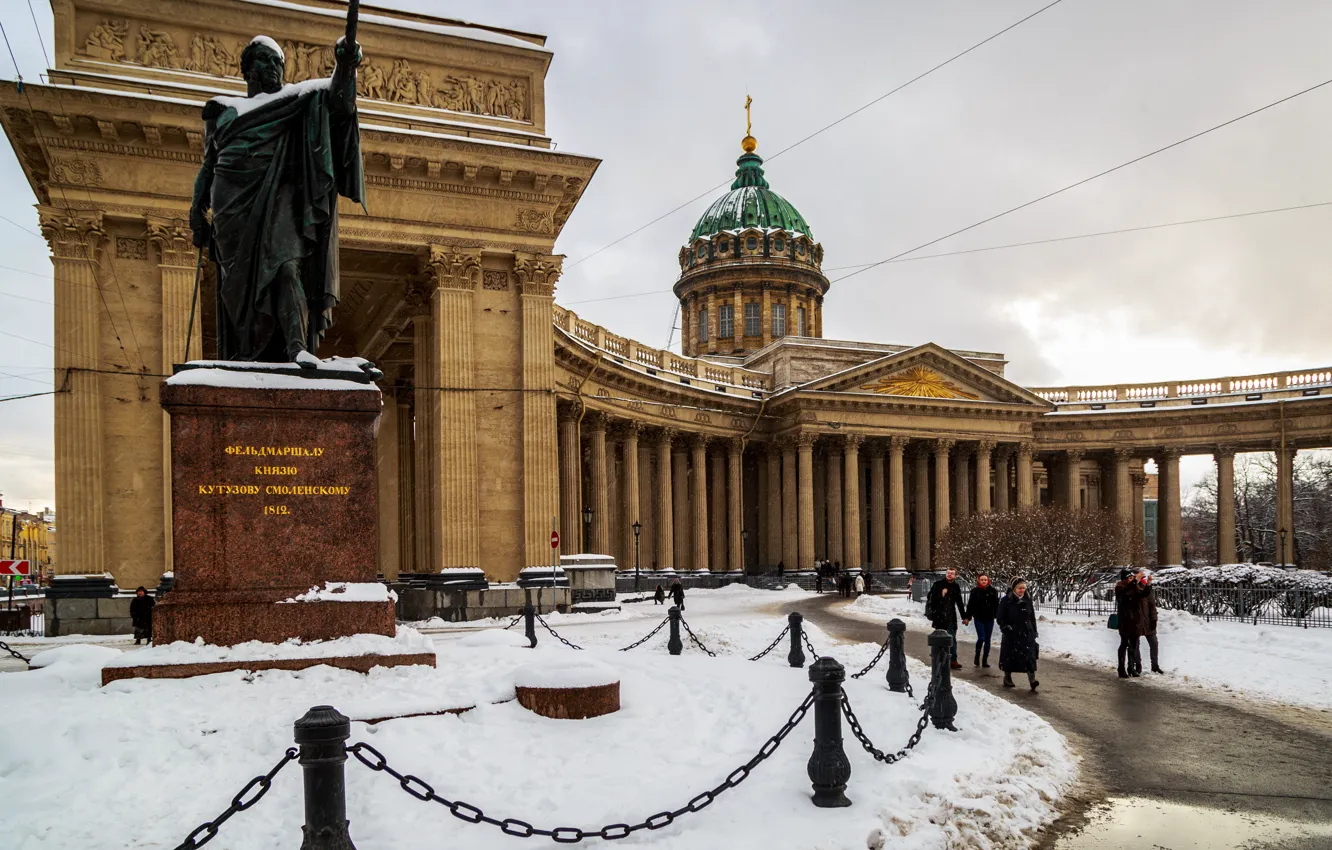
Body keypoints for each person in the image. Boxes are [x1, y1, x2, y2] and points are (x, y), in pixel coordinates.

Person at [997, 577, 1039, 692]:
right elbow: (1000, 617)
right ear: (1014, 588)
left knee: (1029, 657)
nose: (1022, 590)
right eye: (1019, 588)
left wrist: (1034, 631)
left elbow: (1032, 617)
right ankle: (1007, 677)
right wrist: (1006, 628)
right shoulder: (1006, 600)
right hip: (1012, 633)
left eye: (1024, 588)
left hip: (1027, 632)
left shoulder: (1027, 599)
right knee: (1010, 656)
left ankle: (1032, 680)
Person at [926, 567, 968, 670]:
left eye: (952, 573)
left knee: (952, 638)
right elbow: (930, 597)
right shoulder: (938, 585)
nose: (949, 575)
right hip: (939, 616)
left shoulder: (956, 587)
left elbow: (959, 603)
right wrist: (941, 594)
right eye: (948, 573)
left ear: (955, 575)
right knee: (939, 638)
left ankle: (953, 660)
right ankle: (939, 658)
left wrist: (964, 617)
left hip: (951, 617)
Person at [1114, 569, 1147, 678]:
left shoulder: (1134, 587)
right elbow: (1126, 596)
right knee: (1124, 644)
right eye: (1130, 578)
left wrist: (1148, 584)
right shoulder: (1120, 588)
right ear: (1124, 579)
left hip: (1135, 621)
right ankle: (1121, 668)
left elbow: (1143, 594)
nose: (1132, 580)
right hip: (1125, 620)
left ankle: (1131, 667)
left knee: (1134, 645)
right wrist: (1135, 581)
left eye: (1132, 578)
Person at [966, 574, 1000, 668]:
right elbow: (970, 605)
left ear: (988, 580)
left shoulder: (993, 591)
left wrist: (998, 616)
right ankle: (977, 655)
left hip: (989, 618)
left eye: (985, 579)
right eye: (982, 580)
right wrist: (968, 617)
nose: (984, 581)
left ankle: (985, 659)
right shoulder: (975, 591)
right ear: (979, 581)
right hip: (979, 618)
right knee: (981, 637)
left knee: (988, 639)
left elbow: (996, 604)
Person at [1139, 571, 1164, 673]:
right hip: (1137, 622)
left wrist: (1154, 619)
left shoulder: (1146, 588)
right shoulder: (1133, 589)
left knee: (1154, 643)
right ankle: (1137, 666)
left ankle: (1155, 665)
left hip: (1148, 622)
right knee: (1135, 644)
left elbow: (1152, 606)